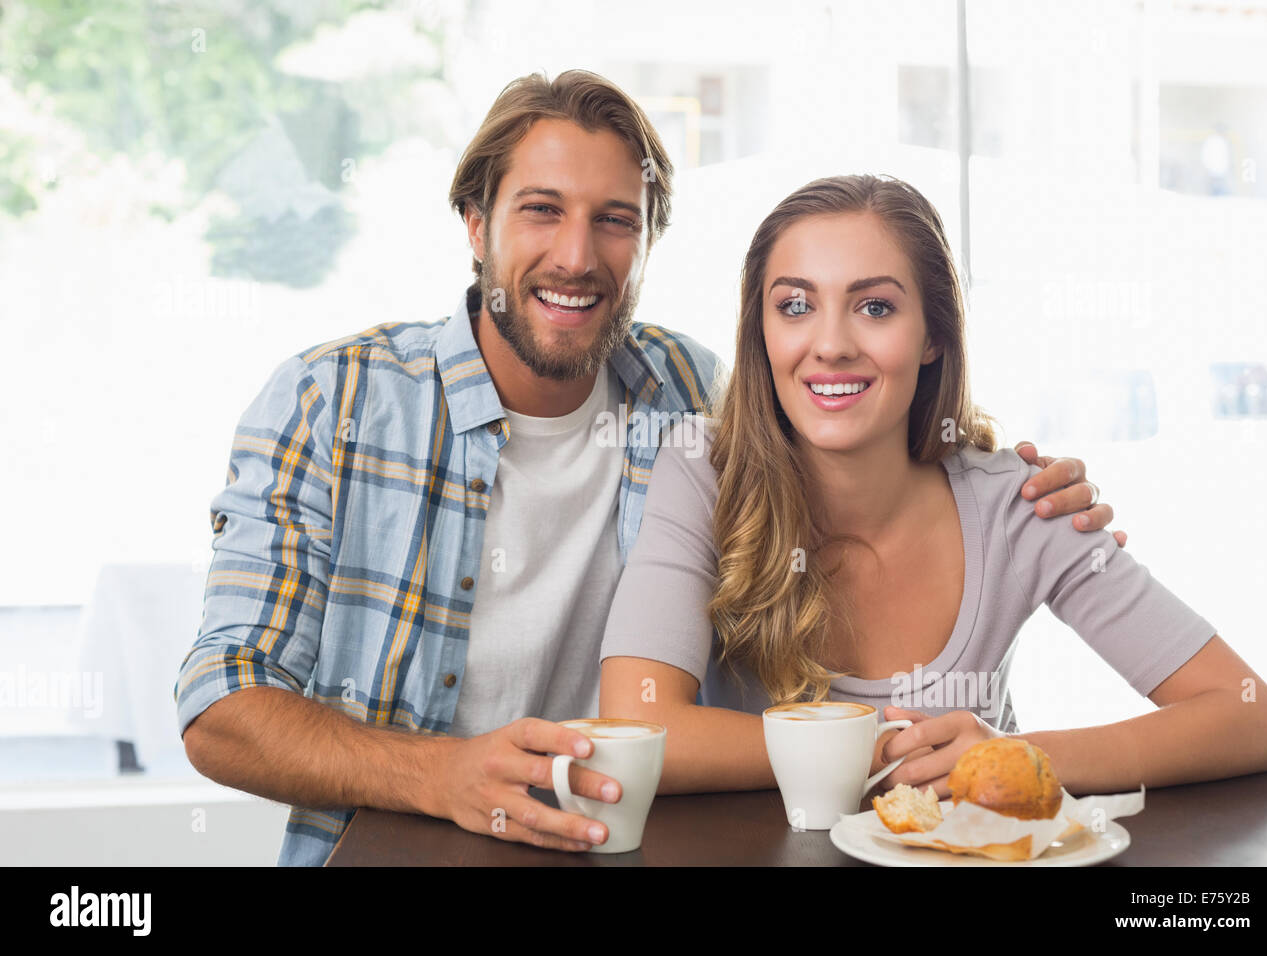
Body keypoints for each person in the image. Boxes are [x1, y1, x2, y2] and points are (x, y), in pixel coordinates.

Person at [175, 73, 1114, 866]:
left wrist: (997, 473)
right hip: (410, 845)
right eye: (541, 210)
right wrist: (435, 772)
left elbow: (865, 433)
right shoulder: (333, 402)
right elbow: (221, 705)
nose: (577, 257)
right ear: (475, 223)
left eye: (615, 221)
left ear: (649, 239)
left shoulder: (695, 395)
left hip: (648, 845)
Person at [599, 173, 1267, 799]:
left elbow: (1251, 717)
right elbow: (636, 726)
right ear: (761, 333)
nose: (832, 343)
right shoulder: (702, 473)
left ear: (933, 335)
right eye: (795, 306)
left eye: (874, 308)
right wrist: (882, 751)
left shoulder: (1021, 503)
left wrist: (1022, 757)